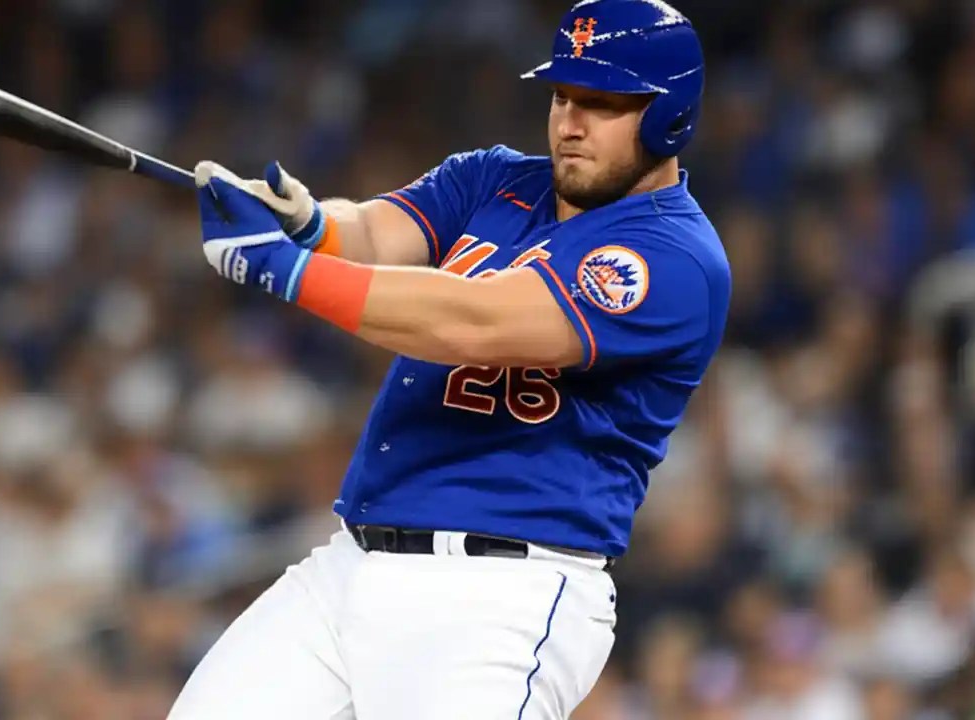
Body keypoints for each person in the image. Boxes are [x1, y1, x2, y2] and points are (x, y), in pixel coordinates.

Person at [169, 1, 729, 718]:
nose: (569, 121)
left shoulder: (673, 257)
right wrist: (306, 223)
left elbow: (474, 321)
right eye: (562, 96)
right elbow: (371, 233)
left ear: (668, 116)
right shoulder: (494, 178)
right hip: (351, 566)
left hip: (501, 595)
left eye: (602, 102)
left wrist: (286, 269)